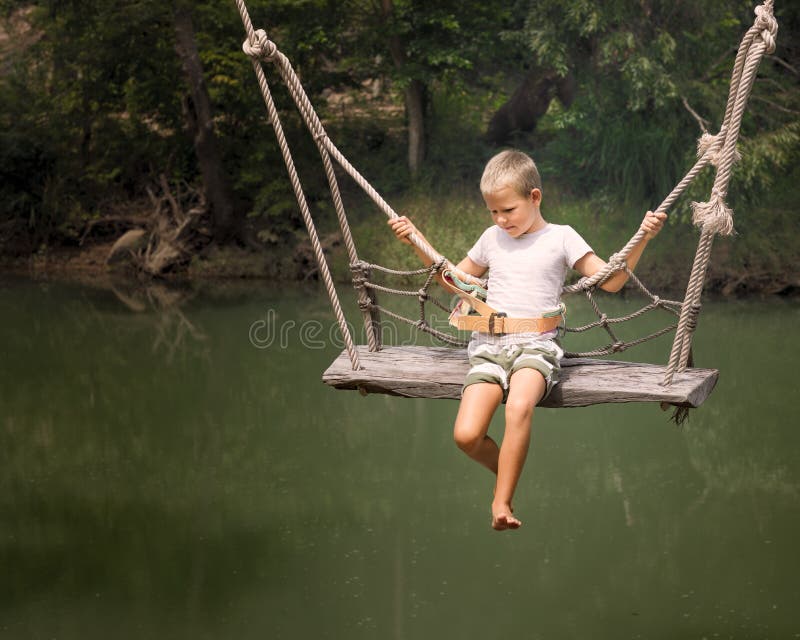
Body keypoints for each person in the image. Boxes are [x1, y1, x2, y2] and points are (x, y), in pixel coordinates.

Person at [388, 150, 666, 531]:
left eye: (509, 210)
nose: (501, 220)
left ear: (535, 198)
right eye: (493, 212)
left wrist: (643, 238)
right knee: (466, 436)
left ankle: (502, 501)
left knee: (518, 407)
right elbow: (453, 280)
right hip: (488, 348)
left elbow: (612, 281)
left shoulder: (561, 238)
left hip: (536, 347)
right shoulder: (492, 239)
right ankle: (508, 468)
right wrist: (417, 242)